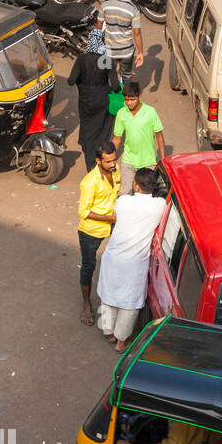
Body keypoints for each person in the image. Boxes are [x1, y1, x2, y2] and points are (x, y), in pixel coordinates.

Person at [96, 166, 164, 351]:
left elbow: (117, 215)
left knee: (109, 296)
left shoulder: (124, 201)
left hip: (114, 257)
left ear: (136, 185)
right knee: (129, 304)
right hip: (135, 264)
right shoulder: (159, 206)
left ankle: (108, 332)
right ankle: (121, 341)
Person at [78, 142, 120, 326]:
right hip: (91, 230)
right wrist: (111, 218)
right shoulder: (89, 182)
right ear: (98, 161)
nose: (112, 164)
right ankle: (87, 304)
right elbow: (84, 212)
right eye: (108, 161)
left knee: (117, 262)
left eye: (114, 159)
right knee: (89, 267)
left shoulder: (116, 170)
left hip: (113, 225)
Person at [68, 49, 120, 173]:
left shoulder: (81, 58)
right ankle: (100, 159)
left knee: (88, 130)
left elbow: (70, 81)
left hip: (85, 102)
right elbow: (115, 86)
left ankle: (90, 162)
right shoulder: (106, 60)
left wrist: (83, 85)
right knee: (103, 131)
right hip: (102, 102)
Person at [112, 80, 165, 190]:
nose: (129, 103)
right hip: (128, 161)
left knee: (147, 193)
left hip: (148, 162)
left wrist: (163, 159)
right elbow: (117, 138)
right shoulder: (121, 113)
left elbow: (159, 135)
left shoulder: (150, 112)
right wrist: (109, 157)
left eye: (132, 99)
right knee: (125, 193)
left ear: (139, 96)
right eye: (126, 100)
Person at [102, 0, 144, 84]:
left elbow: (98, 27)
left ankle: (111, 96)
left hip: (109, 50)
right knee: (127, 75)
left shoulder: (105, 4)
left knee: (108, 74)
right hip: (126, 51)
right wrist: (140, 53)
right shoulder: (133, 8)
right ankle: (126, 96)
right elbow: (137, 33)